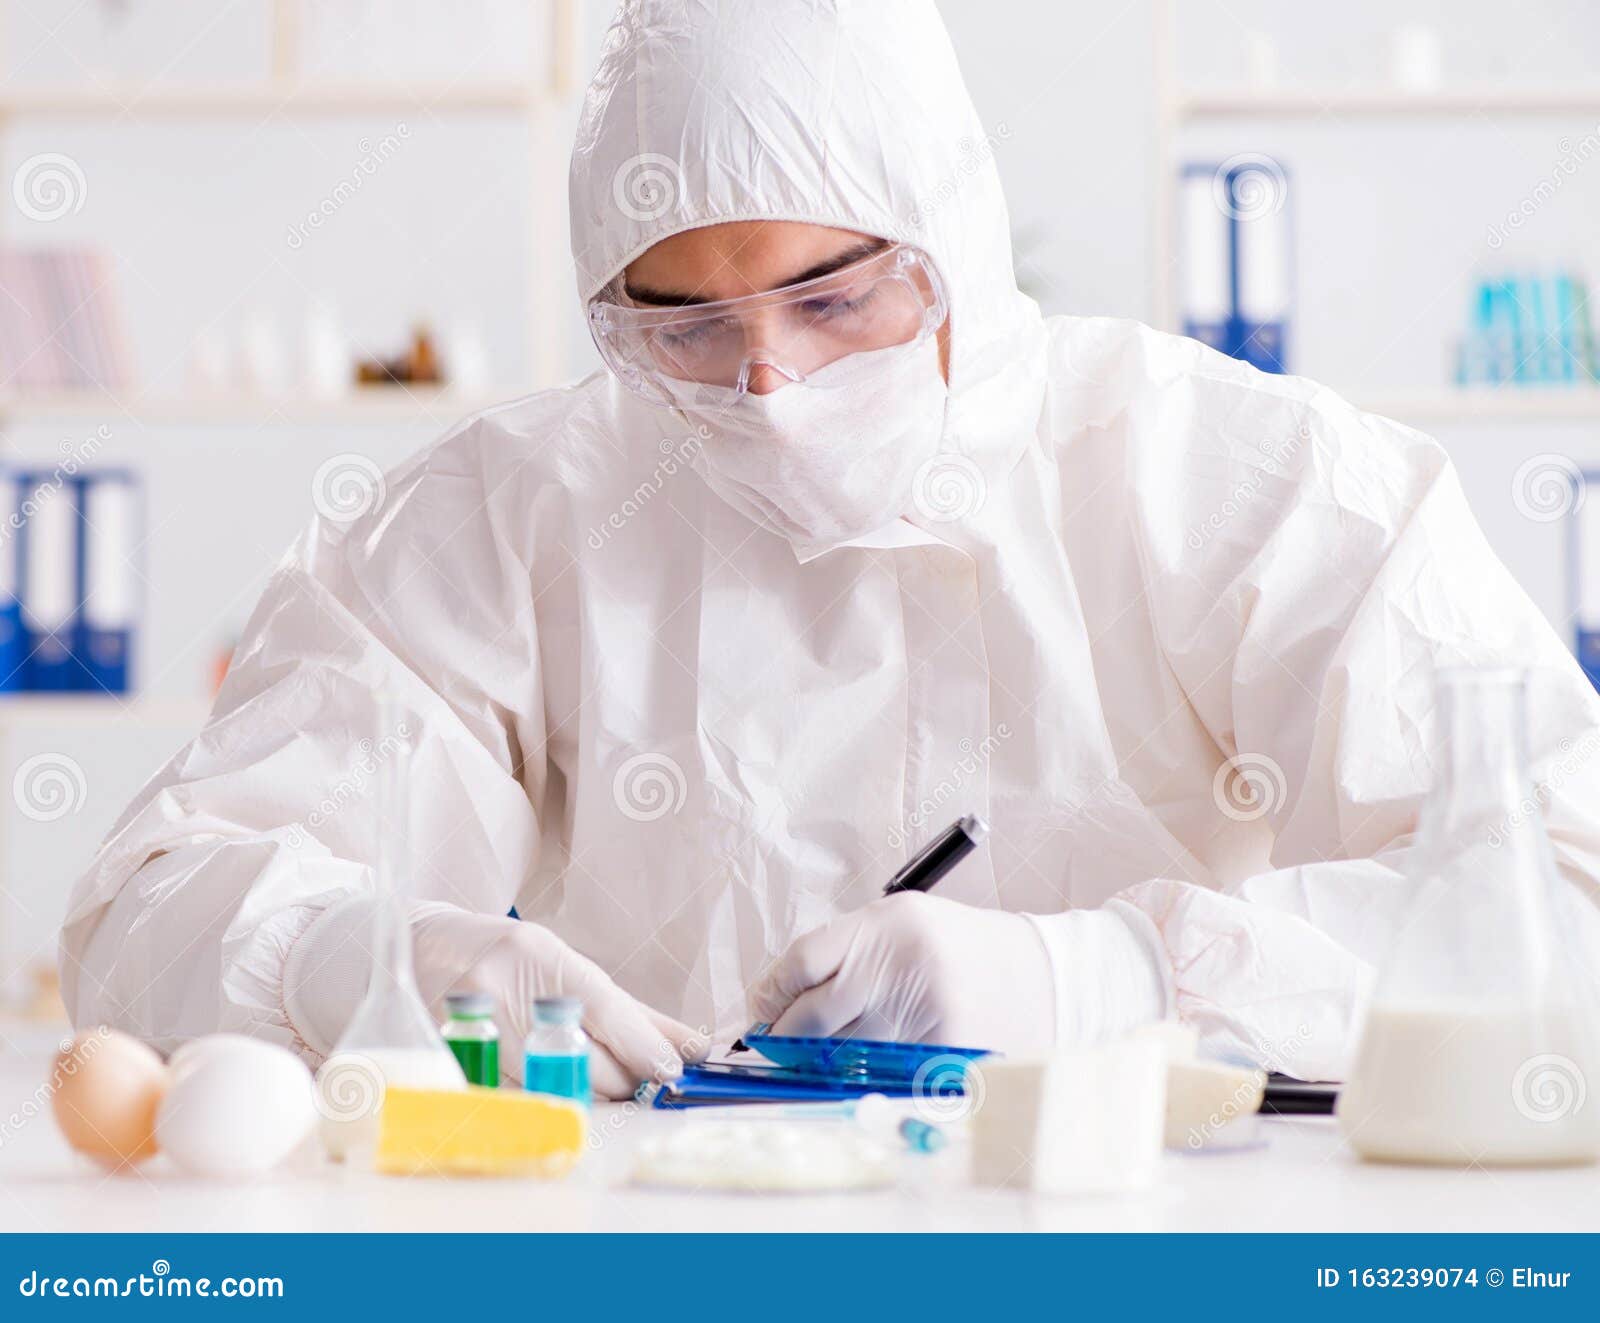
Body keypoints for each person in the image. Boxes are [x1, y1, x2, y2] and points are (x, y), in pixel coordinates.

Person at [60, 0, 1600, 1098]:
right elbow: (149, 906)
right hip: (683, 1233)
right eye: (688, 325)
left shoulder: (1240, 477)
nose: (771, 387)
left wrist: (1111, 981)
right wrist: (358, 961)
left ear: (951, 248)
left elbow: (1560, 896)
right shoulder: (510, 513)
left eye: (832, 299)